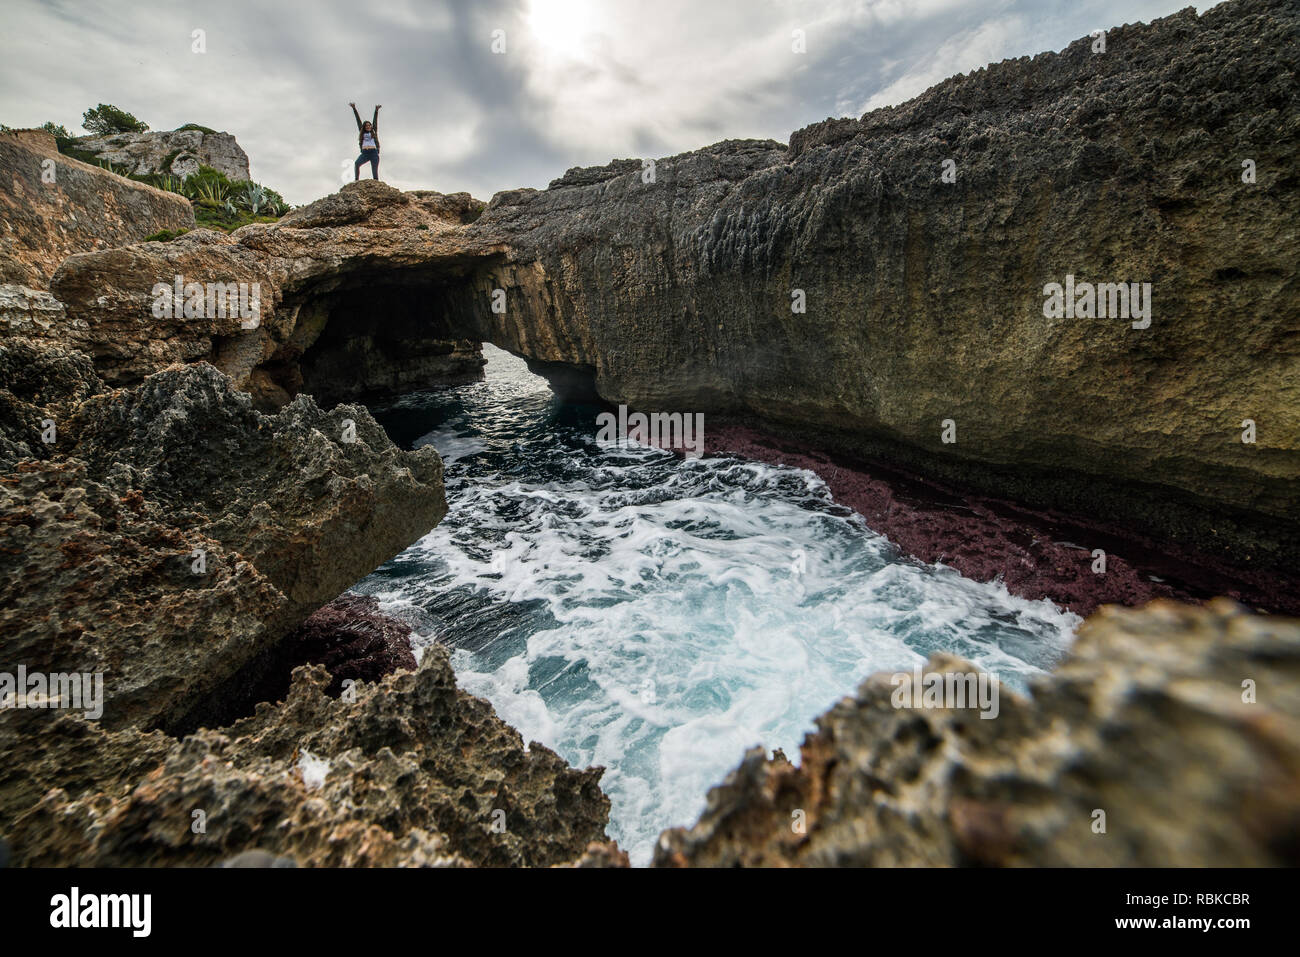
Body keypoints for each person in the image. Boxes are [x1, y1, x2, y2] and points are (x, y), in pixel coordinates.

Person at [350, 102, 381, 181]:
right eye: (366, 125)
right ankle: (356, 180)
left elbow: (375, 121)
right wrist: (354, 109)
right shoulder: (362, 132)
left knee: (374, 170)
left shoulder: (373, 131)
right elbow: (358, 120)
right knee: (357, 164)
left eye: (369, 125)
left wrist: (376, 111)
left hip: (373, 152)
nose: (368, 126)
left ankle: (376, 182)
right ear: (364, 127)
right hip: (365, 153)